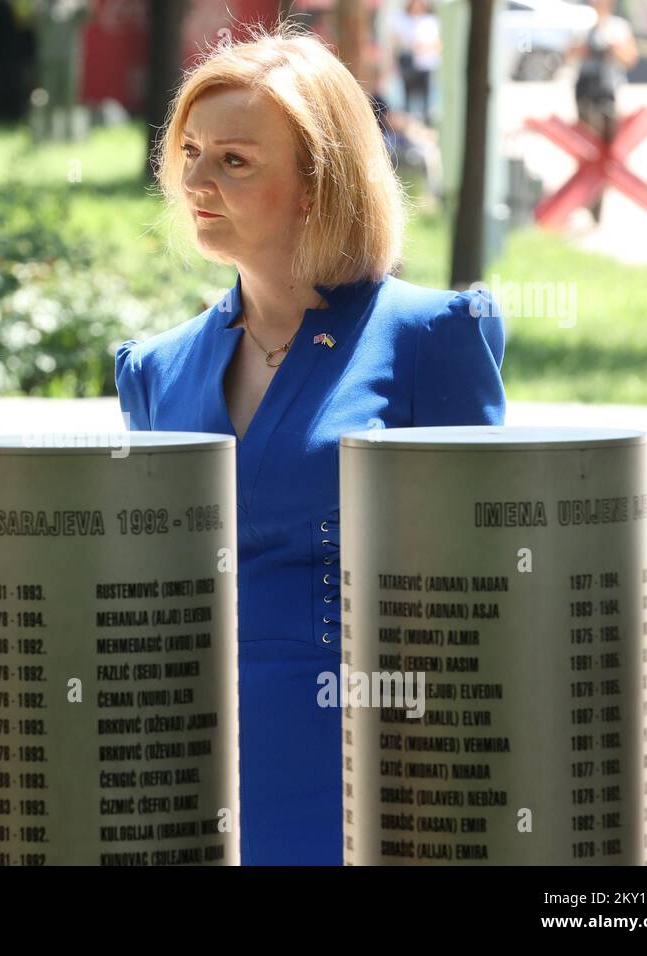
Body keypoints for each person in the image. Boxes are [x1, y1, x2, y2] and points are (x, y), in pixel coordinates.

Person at [115, 27, 506, 865]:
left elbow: (482, 601)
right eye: (188, 152)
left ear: (316, 183)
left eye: (235, 160)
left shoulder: (430, 335)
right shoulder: (154, 369)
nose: (195, 181)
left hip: (380, 774)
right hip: (187, 774)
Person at [570, 0, 639, 223]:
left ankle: (598, 203)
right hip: (585, 94)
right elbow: (570, 54)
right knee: (587, 150)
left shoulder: (618, 27)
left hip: (609, 94)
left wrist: (613, 47)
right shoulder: (582, 25)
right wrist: (588, 47)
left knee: (607, 152)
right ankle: (589, 201)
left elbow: (630, 58)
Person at [391, 0, 440, 127]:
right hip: (407, 64)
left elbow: (437, 44)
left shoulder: (431, 20)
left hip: (425, 65)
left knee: (426, 102)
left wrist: (423, 47)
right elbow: (395, 41)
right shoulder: (401, 18)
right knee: (406, 101)